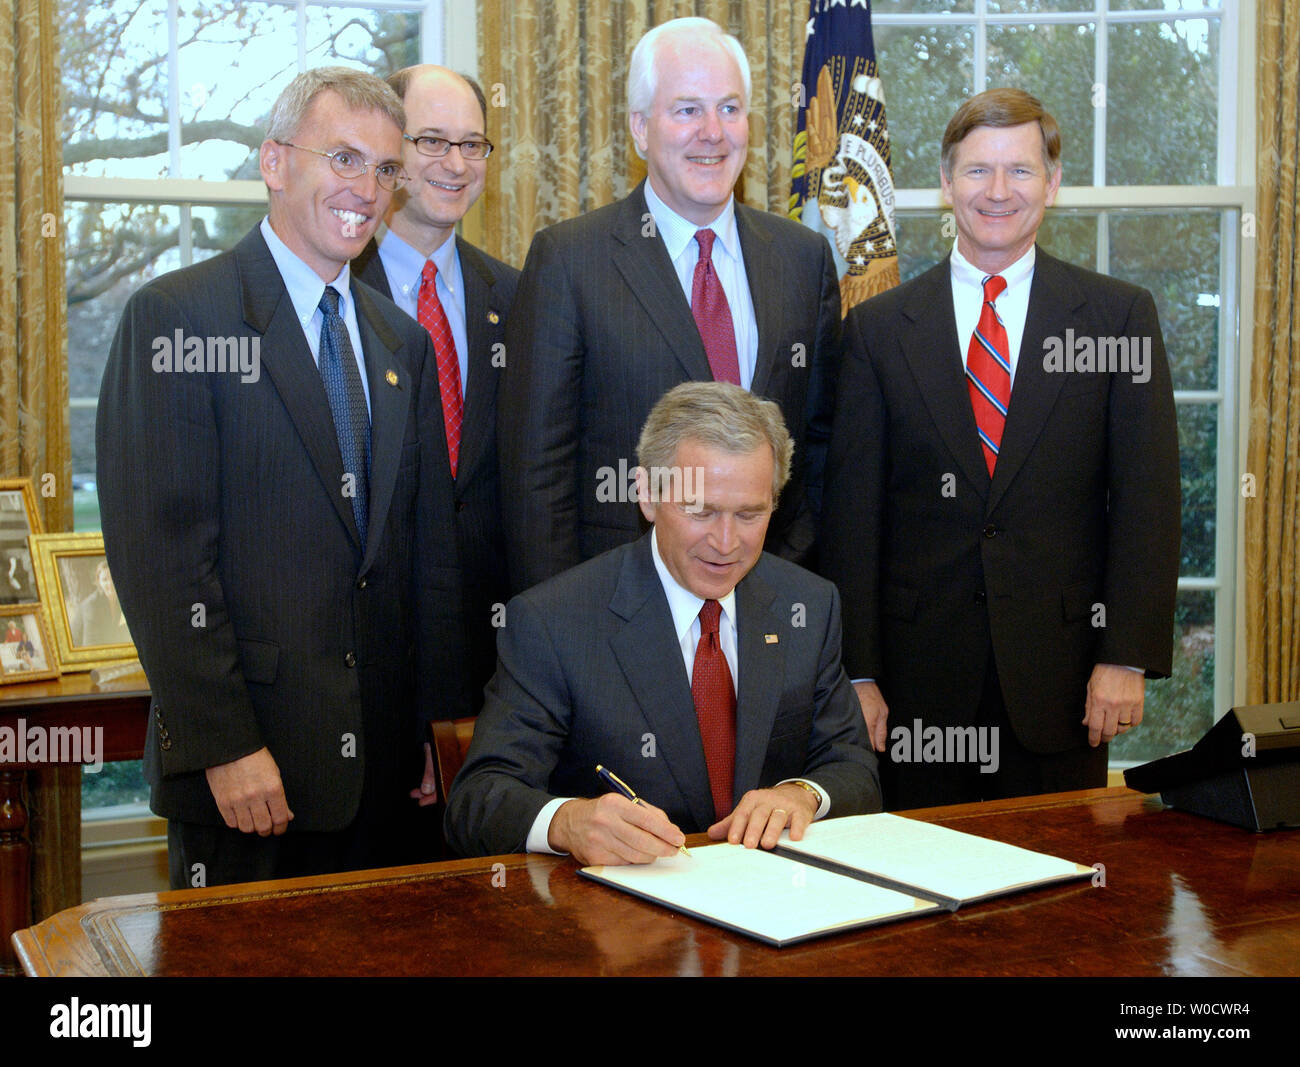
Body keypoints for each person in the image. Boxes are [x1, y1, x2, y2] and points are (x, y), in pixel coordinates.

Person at [97, 67, 464, 888]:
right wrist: (224, 743)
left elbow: (427, 561)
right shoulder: (179, 318)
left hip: (387, 781)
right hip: (249, 780)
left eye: (384, 169)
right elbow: (162, 562)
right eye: (342, 157)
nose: (365, 189)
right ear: (273, 163)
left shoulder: (400, 343)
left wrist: (439, 734)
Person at [821, 89, 1180, 809]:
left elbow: (1147, 497)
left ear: (1051, 185)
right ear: (947, 184)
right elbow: (851, 516)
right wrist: (856, 675)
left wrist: (1126, 655)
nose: (997, 191)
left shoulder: (1116, 315)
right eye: (978, 171)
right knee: (918, 900)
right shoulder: (878, 329)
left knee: (1055, 902)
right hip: (915, 691)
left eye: (1019, 171)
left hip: (1066, 682)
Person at [446, 382, 879, 864]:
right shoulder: (554, 621)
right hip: (621, 922)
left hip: (770, 907)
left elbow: (853, 767)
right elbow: (477, 800)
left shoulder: (809, 605)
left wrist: (802, 794)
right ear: (647, 497)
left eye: (749, 514)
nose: (726, 542)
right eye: (701, 511)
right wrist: (568, 822)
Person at [498, 16, 841, 597]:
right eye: (687, 110)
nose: (712, 132)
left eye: (729, 109)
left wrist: (789, 584)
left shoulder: (802, 258)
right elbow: (537, 475)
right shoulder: (569, 259)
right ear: (640, 129)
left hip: (765, 602)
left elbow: (818, 450)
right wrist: (562, 632)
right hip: (616, 604)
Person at [352, 65, 518, 718]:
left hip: (492, 660)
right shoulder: (333, 289)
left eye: (471, 144)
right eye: (432, 141)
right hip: (361, 656)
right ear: (391, 149)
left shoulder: (520, 295)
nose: (456, 163)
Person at [72, 560, 132, 647]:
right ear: (99, 582)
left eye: (113, 578)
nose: (110, 584)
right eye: (105, 580)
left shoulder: (120, 601)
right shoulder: (92, 606)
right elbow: (90, 645)